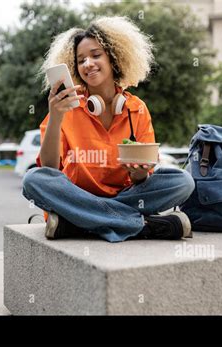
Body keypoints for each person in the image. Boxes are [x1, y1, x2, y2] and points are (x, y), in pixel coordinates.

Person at [22, 16, 195, 242]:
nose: (88, 64)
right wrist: (55, 117)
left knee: (182, 181)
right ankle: (142, 226)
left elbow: (144, 178)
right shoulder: (66, 107)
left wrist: (140, 173)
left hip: (120, 197)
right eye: (81, 60)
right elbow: (50, 168)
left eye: (95, 55)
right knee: (34, 180)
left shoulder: (137, 109)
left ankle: (80, 223)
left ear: (114, 58)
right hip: (76, 195)